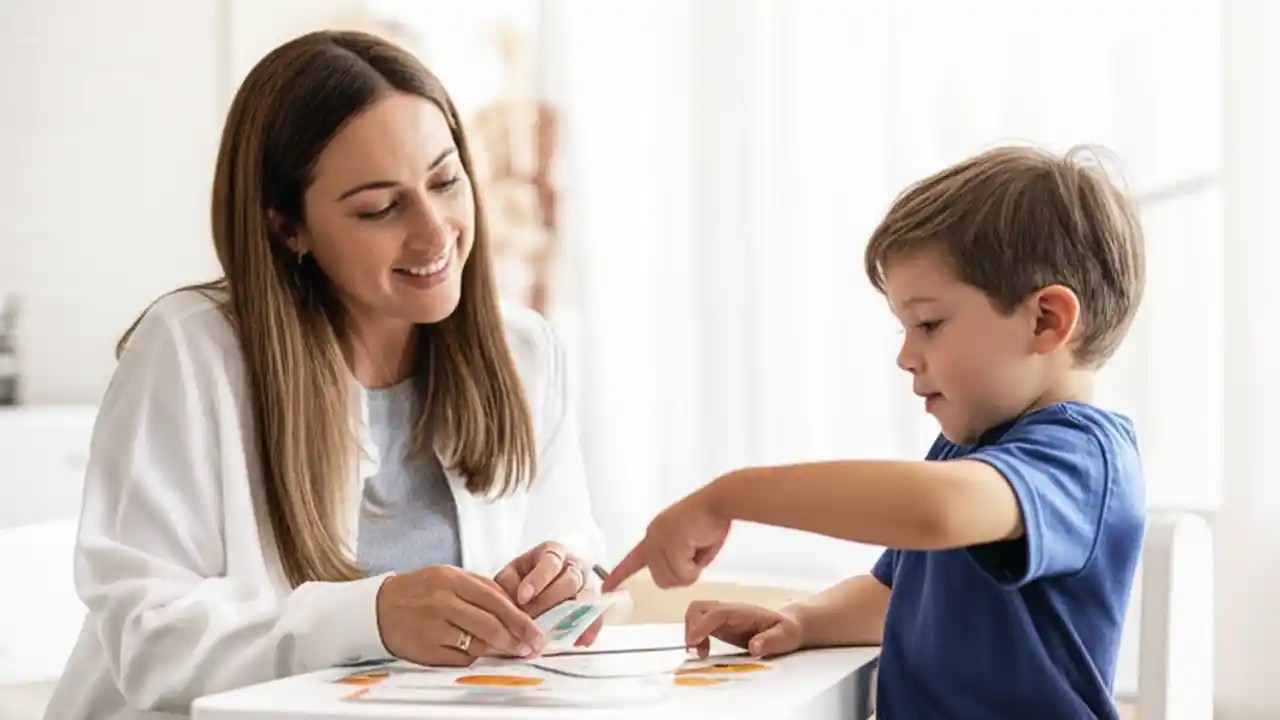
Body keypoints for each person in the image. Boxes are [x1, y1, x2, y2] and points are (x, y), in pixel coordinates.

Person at [44, 30, 603, 720]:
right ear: (288, 227)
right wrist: (372, 617)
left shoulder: (526, 350)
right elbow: (149, 637)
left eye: (445, 181)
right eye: (379, 208)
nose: (436, 234)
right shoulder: (191, 353)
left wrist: (565, 580)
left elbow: (572, 546)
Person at [604, 146, 1146, 718]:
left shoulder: (1084, 459)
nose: (907, 356)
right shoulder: (967, 451)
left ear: (1045, 321)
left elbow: (937, 511)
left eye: (929, 324)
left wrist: (729, 496)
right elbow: (894, 595)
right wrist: (801, 619)